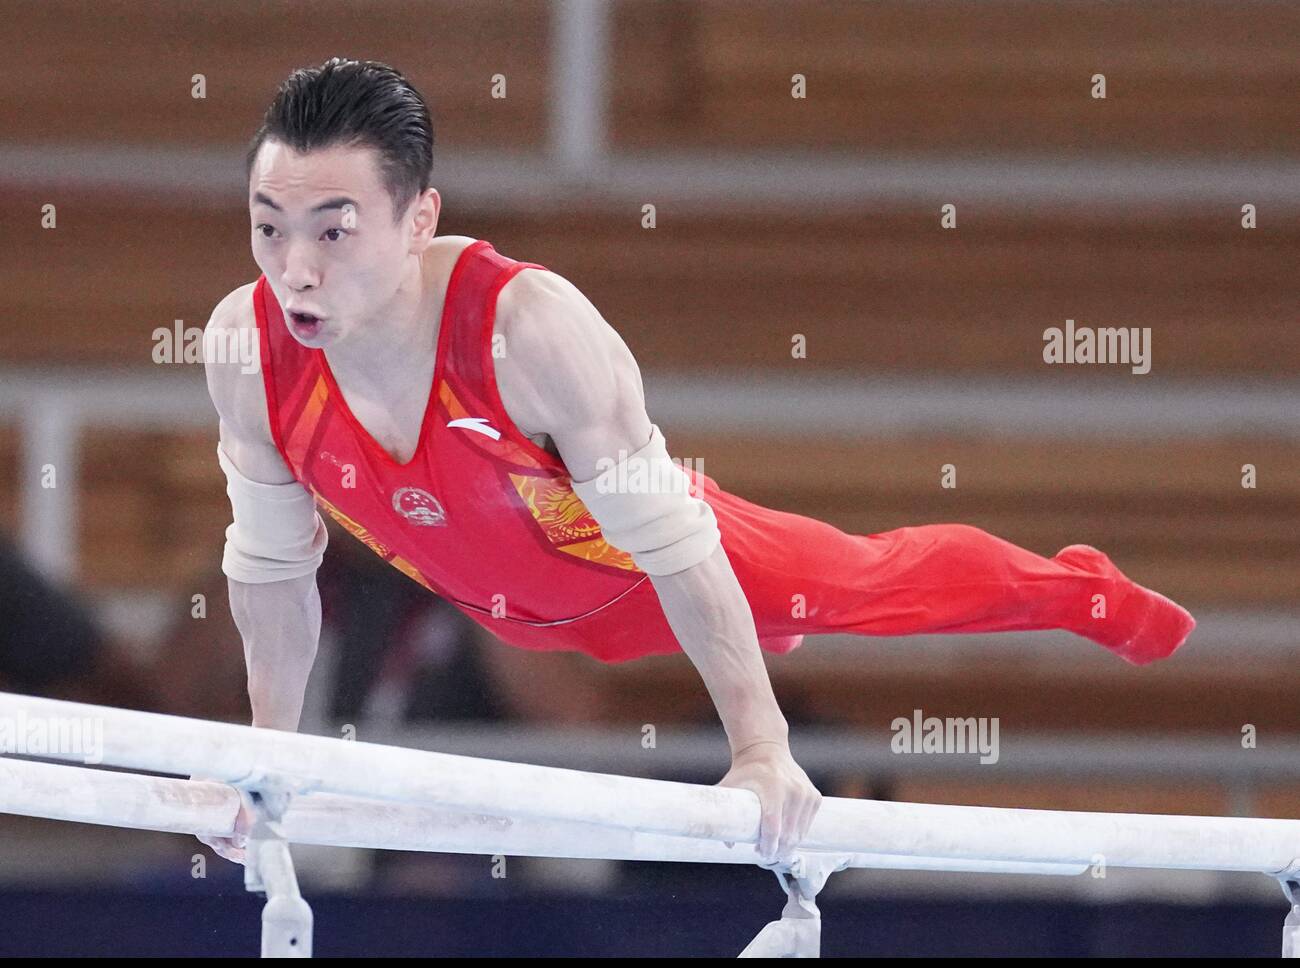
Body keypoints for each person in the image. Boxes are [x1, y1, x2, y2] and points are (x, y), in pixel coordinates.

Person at [198, 58, 1195, 865]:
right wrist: (267, 760)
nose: (297, 268)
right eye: (268, 229)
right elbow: (277, 570)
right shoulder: (249, 350)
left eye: (334, 231)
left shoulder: (527, 333)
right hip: (510, 614)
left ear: (419, 221)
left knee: (861, 581)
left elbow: (676, 548)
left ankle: (1075, 590)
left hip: (652, 572)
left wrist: (761, 752)